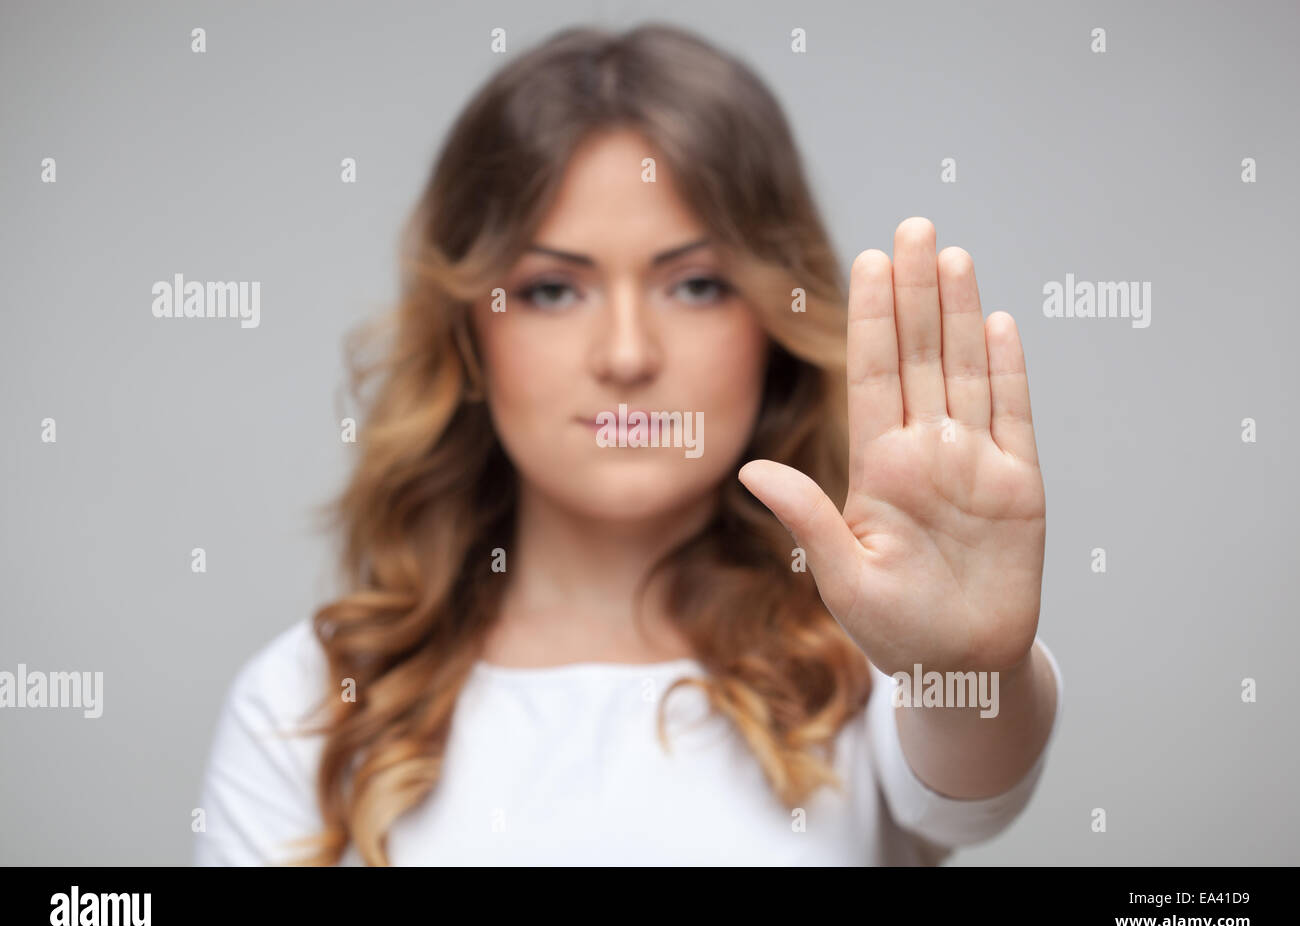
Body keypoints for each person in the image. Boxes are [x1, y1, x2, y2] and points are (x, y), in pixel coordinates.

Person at [194, 23, 1061, 866]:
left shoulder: (872, 659)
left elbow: (974, 780)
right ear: (468, 337)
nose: (626, 356)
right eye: (551, 291)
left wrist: (969, 667)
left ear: (772, 319)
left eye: (694, 284)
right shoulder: (306, 704)